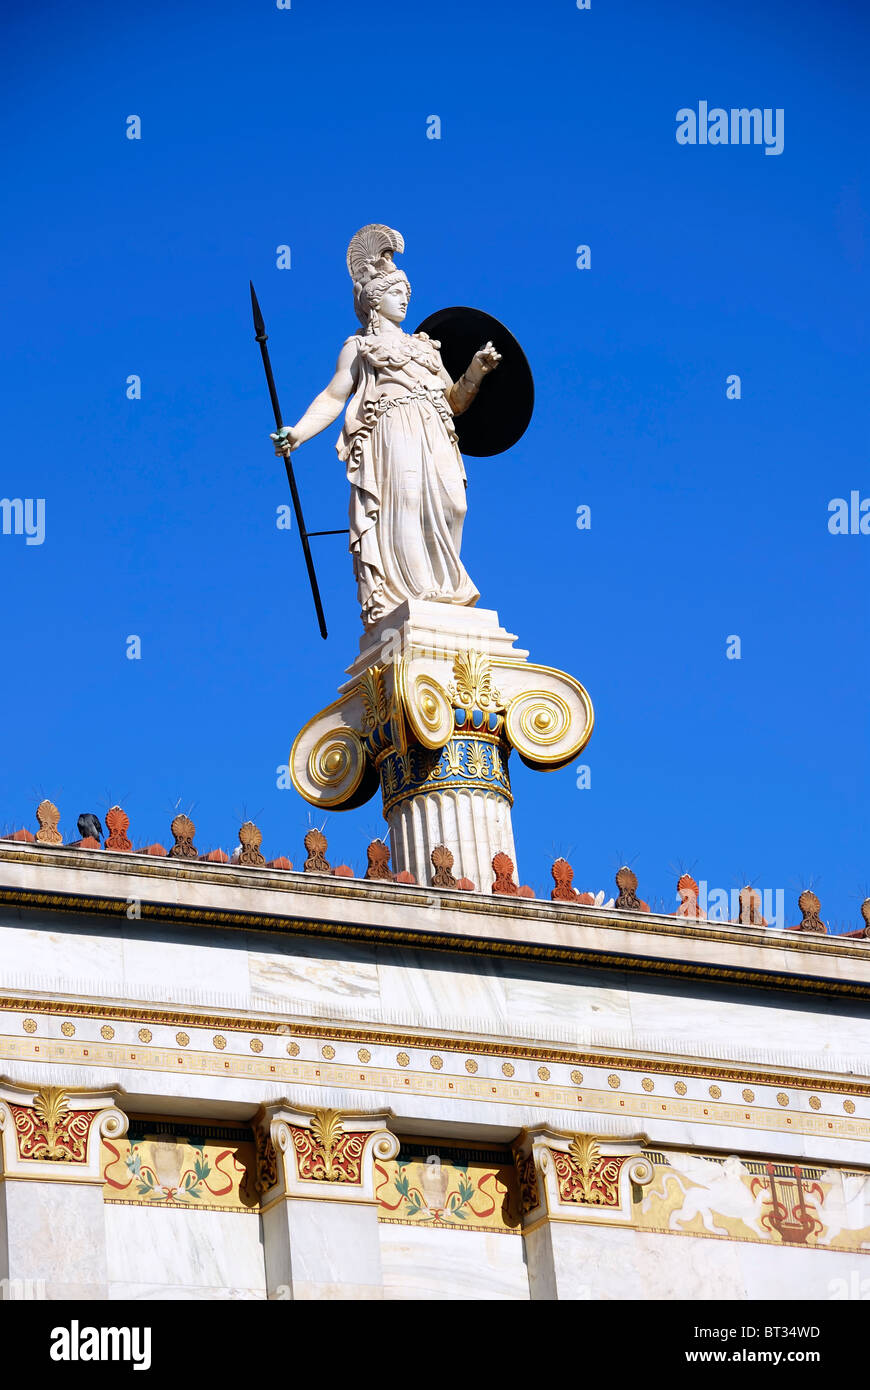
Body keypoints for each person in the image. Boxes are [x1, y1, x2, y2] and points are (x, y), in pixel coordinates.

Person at [272, 224, 500, 628]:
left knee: (454, 505)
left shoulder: (425, 347)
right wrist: (298, 433)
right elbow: (332, 397)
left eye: (407, 292)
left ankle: (443, 589)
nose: (405, 299)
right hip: (393, 429)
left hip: (435, 428)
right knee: (405, 503)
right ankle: (417, 594)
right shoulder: (359, 346)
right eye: (397, 292)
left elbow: (456, 402)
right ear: (375, 300)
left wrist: (475, 372)